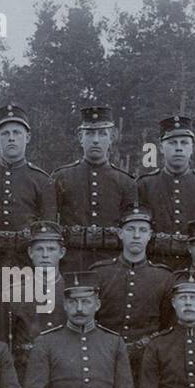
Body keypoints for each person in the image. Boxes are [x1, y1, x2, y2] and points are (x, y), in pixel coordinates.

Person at [89, 203, 173, 378]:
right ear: (120, 234)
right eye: (130, 229)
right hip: (104, 355)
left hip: (148, 357)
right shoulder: (100, 273)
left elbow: (167, 324)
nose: (136, 236)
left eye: (142, 230)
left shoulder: (163, 277)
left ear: (150, 236)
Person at [0, 104, 54, 266]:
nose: (11, 138)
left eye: (17, 133)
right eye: (5, 133)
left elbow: (47, 232)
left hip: (25, 263)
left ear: (27, 137)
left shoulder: (42, 180)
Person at [53, 105, 137, 270]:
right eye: (90, 133)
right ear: (80, 137)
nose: (96, 140)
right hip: (70, 263)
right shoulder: (61, 177)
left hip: (112, 266)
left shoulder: (126, 182)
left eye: (102, 134)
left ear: (111, 137)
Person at [136, 115, 195, 268]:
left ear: (192, 148)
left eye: (184, 143)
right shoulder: (145, 184)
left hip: (194, 266)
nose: (179, 148)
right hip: (155, 264)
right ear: (161, 147)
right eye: (172, 143)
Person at [0, 220, 66, 381]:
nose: (45, 255)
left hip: (65, 370)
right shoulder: (14, 293)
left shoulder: (71, 291)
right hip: (25, 371)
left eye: (51, 249)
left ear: (62, 252)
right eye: (39, 249)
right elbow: (3, 341)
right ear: (30, 252)